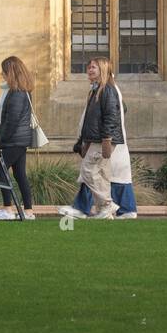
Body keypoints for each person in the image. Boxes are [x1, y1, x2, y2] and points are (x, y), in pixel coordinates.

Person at [61, 56, 128, 221]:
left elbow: (111, 116)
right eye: (89, 67)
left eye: (94, 67)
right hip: (95, 139)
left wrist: (106, 139)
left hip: (102, 140)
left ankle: (106, 204)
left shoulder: (107, 90)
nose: (90, 70)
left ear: (102, 70)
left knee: (88, 170)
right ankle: (104, 211)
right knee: (102, 174)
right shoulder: (95, 90)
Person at [0, 56, 36, 221]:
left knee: (0, 171)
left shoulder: (16, 93)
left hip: (14, 141)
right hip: (18, 140)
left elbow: (12, 121)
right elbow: (5, 115)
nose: (1, 74)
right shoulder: (17, 92)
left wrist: (2, 142)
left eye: (3, 71)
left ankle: (8, 209)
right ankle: (28, 211)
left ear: (10, 72)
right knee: (19, 174)